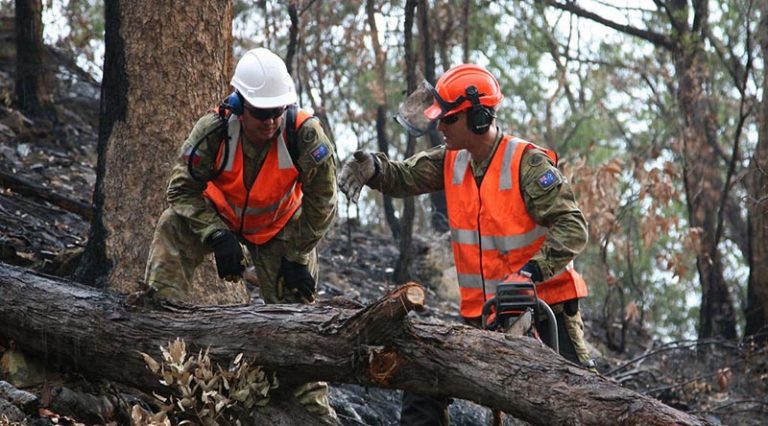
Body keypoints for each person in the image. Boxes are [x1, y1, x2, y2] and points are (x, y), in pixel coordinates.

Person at [338, 63, 594, 425]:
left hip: (544, 306)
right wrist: (373, 169)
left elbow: (573, 226)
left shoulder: (527, 164)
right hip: (484, 315)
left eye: (448, 120)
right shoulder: (451, 159)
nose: (440, 128)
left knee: (582, 402)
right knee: (421, 374)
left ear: (478, 119)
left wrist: (529, 273)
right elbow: (405, 175)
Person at [144, 47, 338, 424]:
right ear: (240, 104)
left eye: (276, 112)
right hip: (221, 217)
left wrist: (298, 257)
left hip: (282, 230)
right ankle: (156, 346)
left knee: (300, 333)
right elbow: (180, 190)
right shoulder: (215, 130)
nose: (270, 122)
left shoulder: (305, 135)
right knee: (172, 224)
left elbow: (323, 203)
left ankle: (315, 416)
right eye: (261, 113)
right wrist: (217, 235)